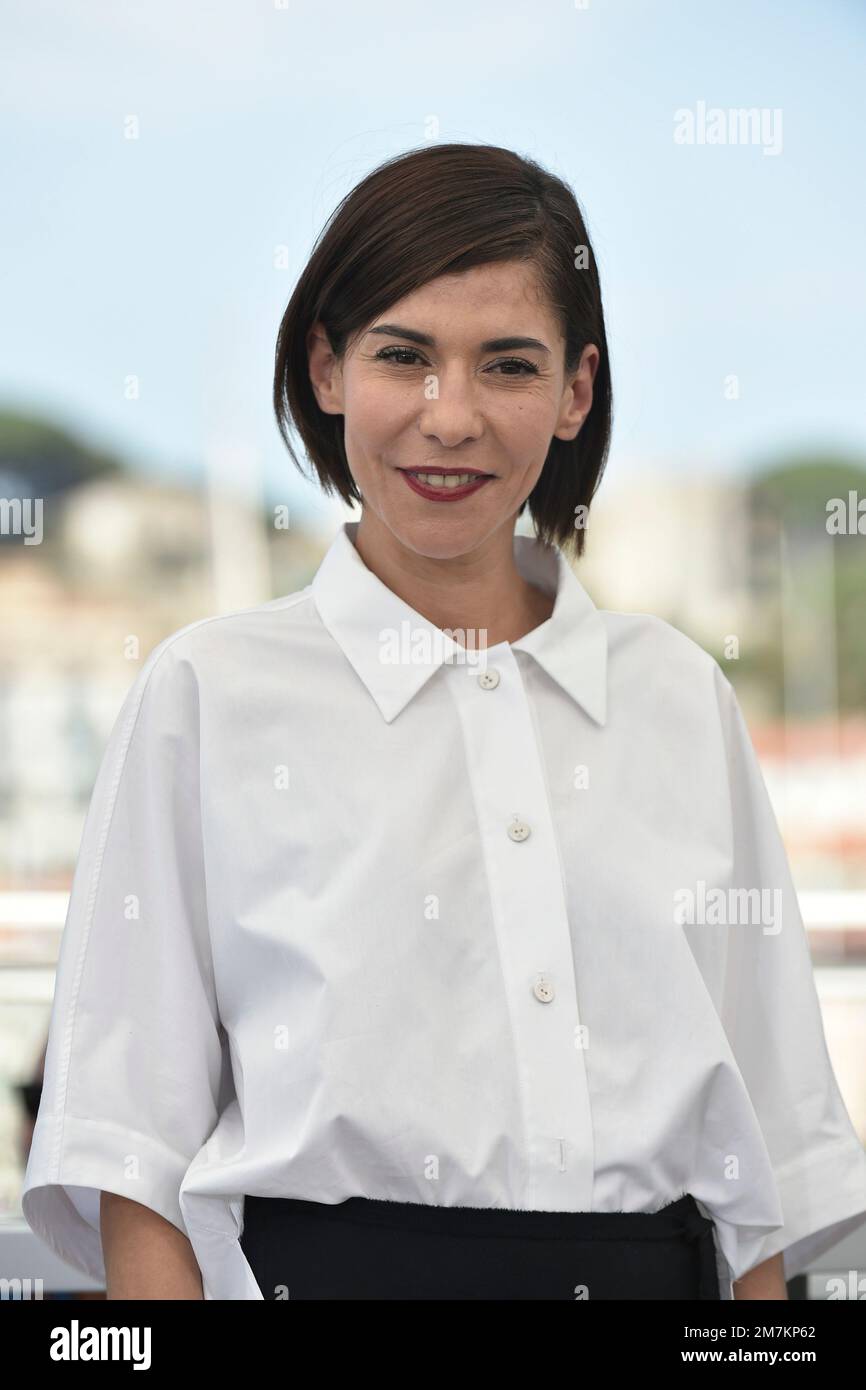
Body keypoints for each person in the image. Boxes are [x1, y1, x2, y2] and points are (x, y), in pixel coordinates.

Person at [21, 142, 866, 1300]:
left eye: (507, 365)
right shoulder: (207, 692)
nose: (450, 416)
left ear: (575, 391)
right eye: (402, 356)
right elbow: (131, 1158)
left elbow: (760, 1152)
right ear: (326, 370)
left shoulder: (678, 697)